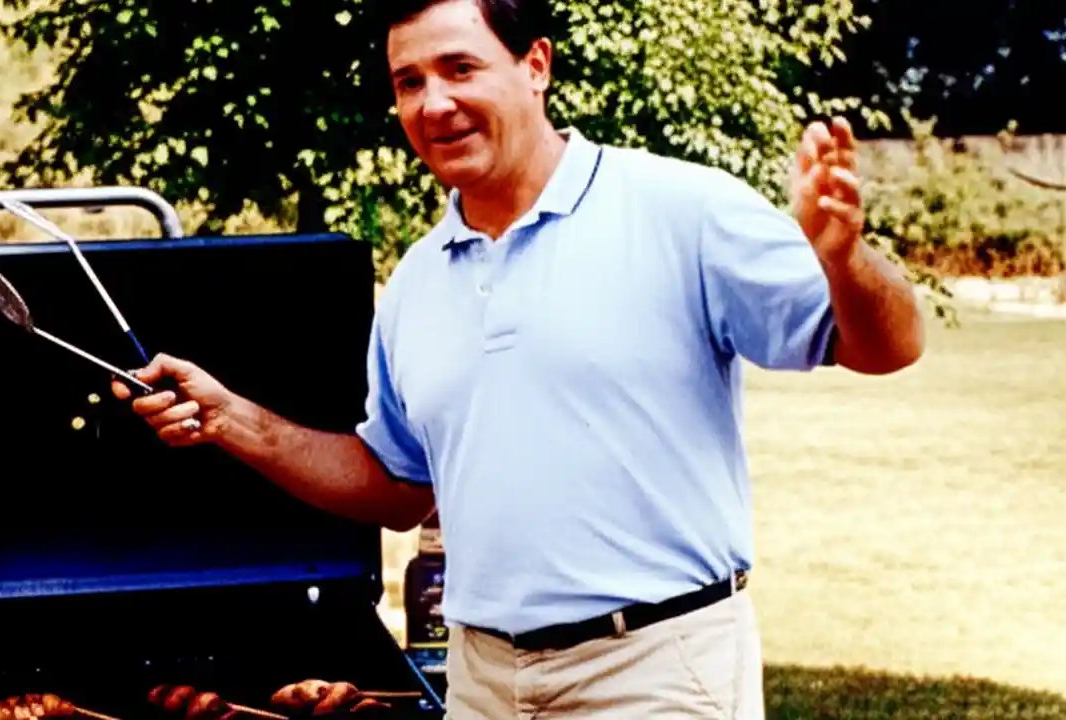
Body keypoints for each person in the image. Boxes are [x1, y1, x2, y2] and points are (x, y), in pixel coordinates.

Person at [111, 0, 926, 716]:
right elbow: (398, 488)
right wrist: (232, 419)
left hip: (655, 669)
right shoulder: (418, 284)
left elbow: (887, 347)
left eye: (459, 68)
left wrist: (843, 259)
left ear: (536, 66)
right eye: (408, 81)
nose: (434, 103)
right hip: (482, 677)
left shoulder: (682, 209)